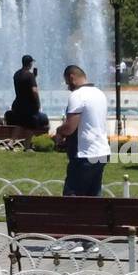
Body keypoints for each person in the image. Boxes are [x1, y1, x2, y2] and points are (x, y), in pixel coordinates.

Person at [53, 65, 111, 200]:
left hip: (84, 154)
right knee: (93, 195)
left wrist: (58, 131)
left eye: (68, 83)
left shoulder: (77, 95)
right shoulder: (99, 93)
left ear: (72, 78)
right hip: (102, 151)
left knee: (73, 197)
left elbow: (70, 127)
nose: (68, 87)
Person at [7, 54, 47, 130]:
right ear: (30, 63)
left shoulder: (16, 74)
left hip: (18, 105)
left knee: (20, 126)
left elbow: (23, 86)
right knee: (34, 127)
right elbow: (34, 91)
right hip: (29, 107)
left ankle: (12, 141)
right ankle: (27, 142)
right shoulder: (30, 75)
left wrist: (33, 78)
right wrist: (38, 103)